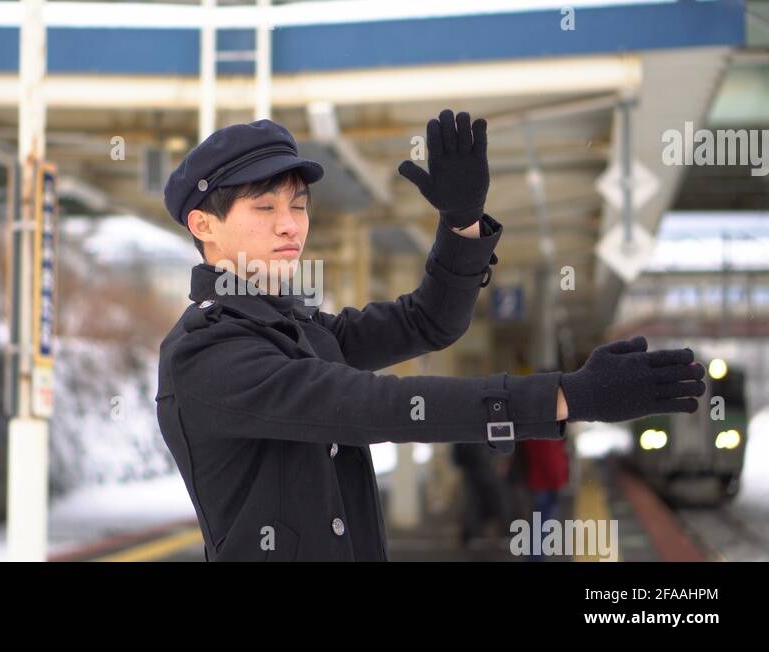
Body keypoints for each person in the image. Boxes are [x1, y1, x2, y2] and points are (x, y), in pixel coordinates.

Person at [154, 111, 706, 561]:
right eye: (265, 207)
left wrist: (461, 224)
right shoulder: (206, 352)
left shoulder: (299, 328)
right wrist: (565, 396)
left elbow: (427, 321)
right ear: (203, 224)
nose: (290, 225)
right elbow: (374, 406)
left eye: (298, 206)